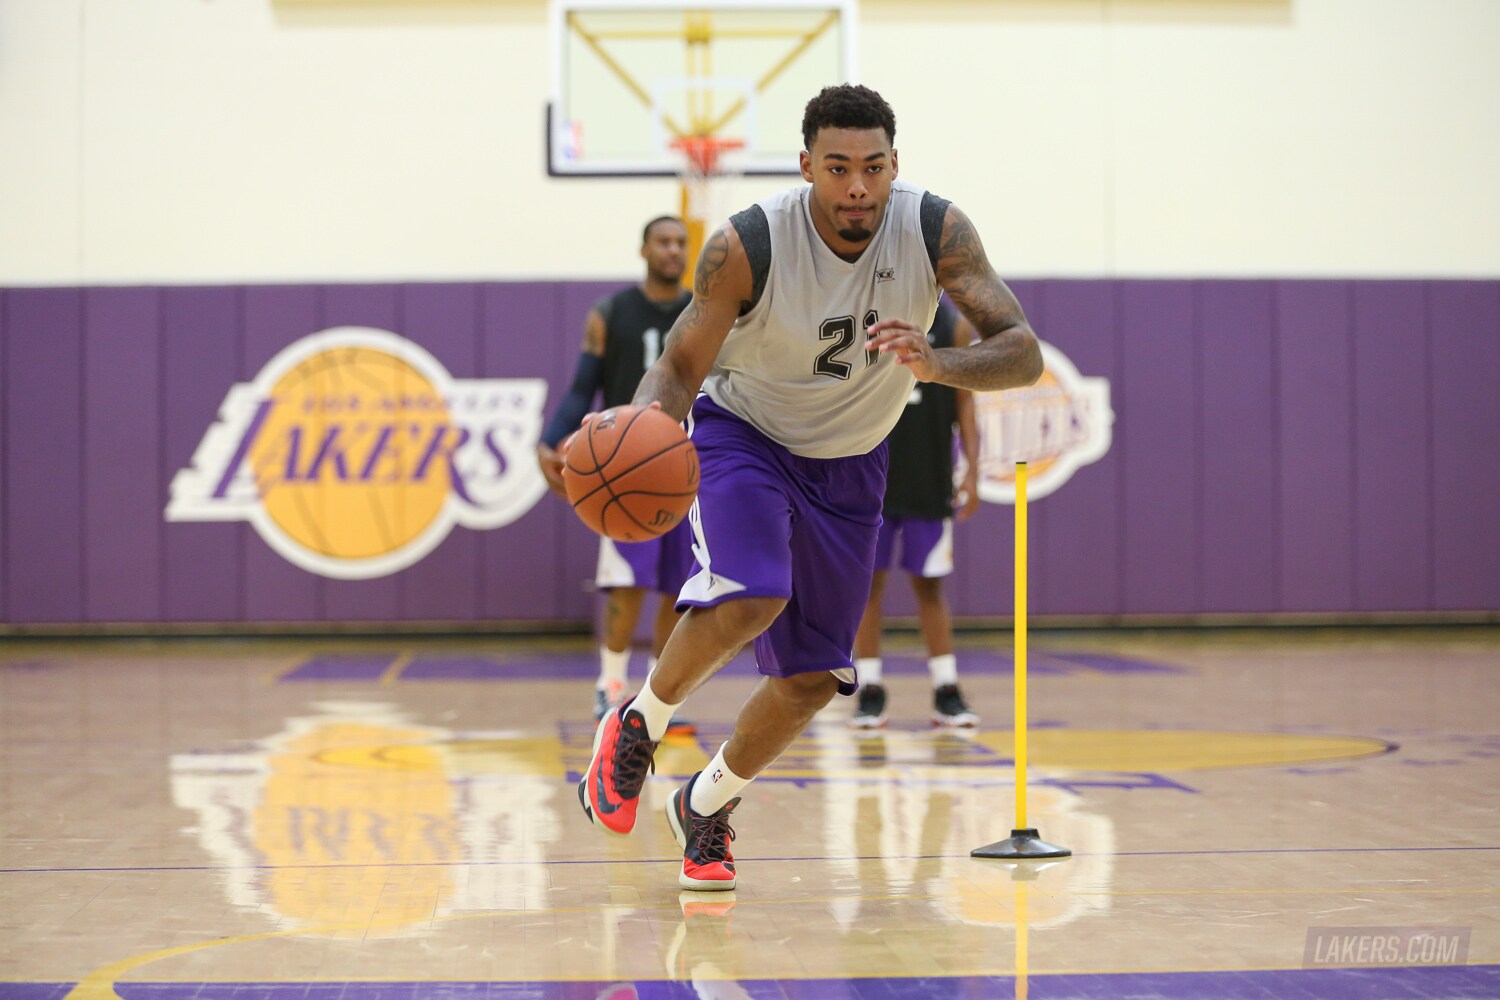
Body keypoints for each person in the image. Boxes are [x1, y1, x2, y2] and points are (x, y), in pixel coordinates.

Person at [577, 84, 1043, 892]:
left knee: (813, 678)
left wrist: (939, 363)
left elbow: (1022, 351)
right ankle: (638, 724)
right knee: (753, 593)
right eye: (837, 168)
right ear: (806, 166)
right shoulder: (748, 243)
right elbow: (681, 364)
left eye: (873, 167)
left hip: (853, 460)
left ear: (894, 164)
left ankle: (704, 807)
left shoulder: (934, 229)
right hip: (745, 436)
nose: (857, 186)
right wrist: (647, 431)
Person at [536, 216, 698, 726]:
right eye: (663, 242)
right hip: (625, 469)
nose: (673, 251)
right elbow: (583, 389)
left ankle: (657, 700)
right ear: (644, 250)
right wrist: (549, 439)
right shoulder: (609, 313)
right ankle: (609, 686)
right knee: (627, 583)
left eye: (680, 243)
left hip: (688, 463)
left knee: (680, 590)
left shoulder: (704, 310)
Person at [850, 301, 983, 729]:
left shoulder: (952, 325)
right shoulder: (865, 314)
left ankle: (946, 689)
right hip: (872, 476)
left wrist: (973, 468)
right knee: (867, 587)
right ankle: (870, 688)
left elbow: (964, 402)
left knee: (930, 586)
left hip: (929, 477)